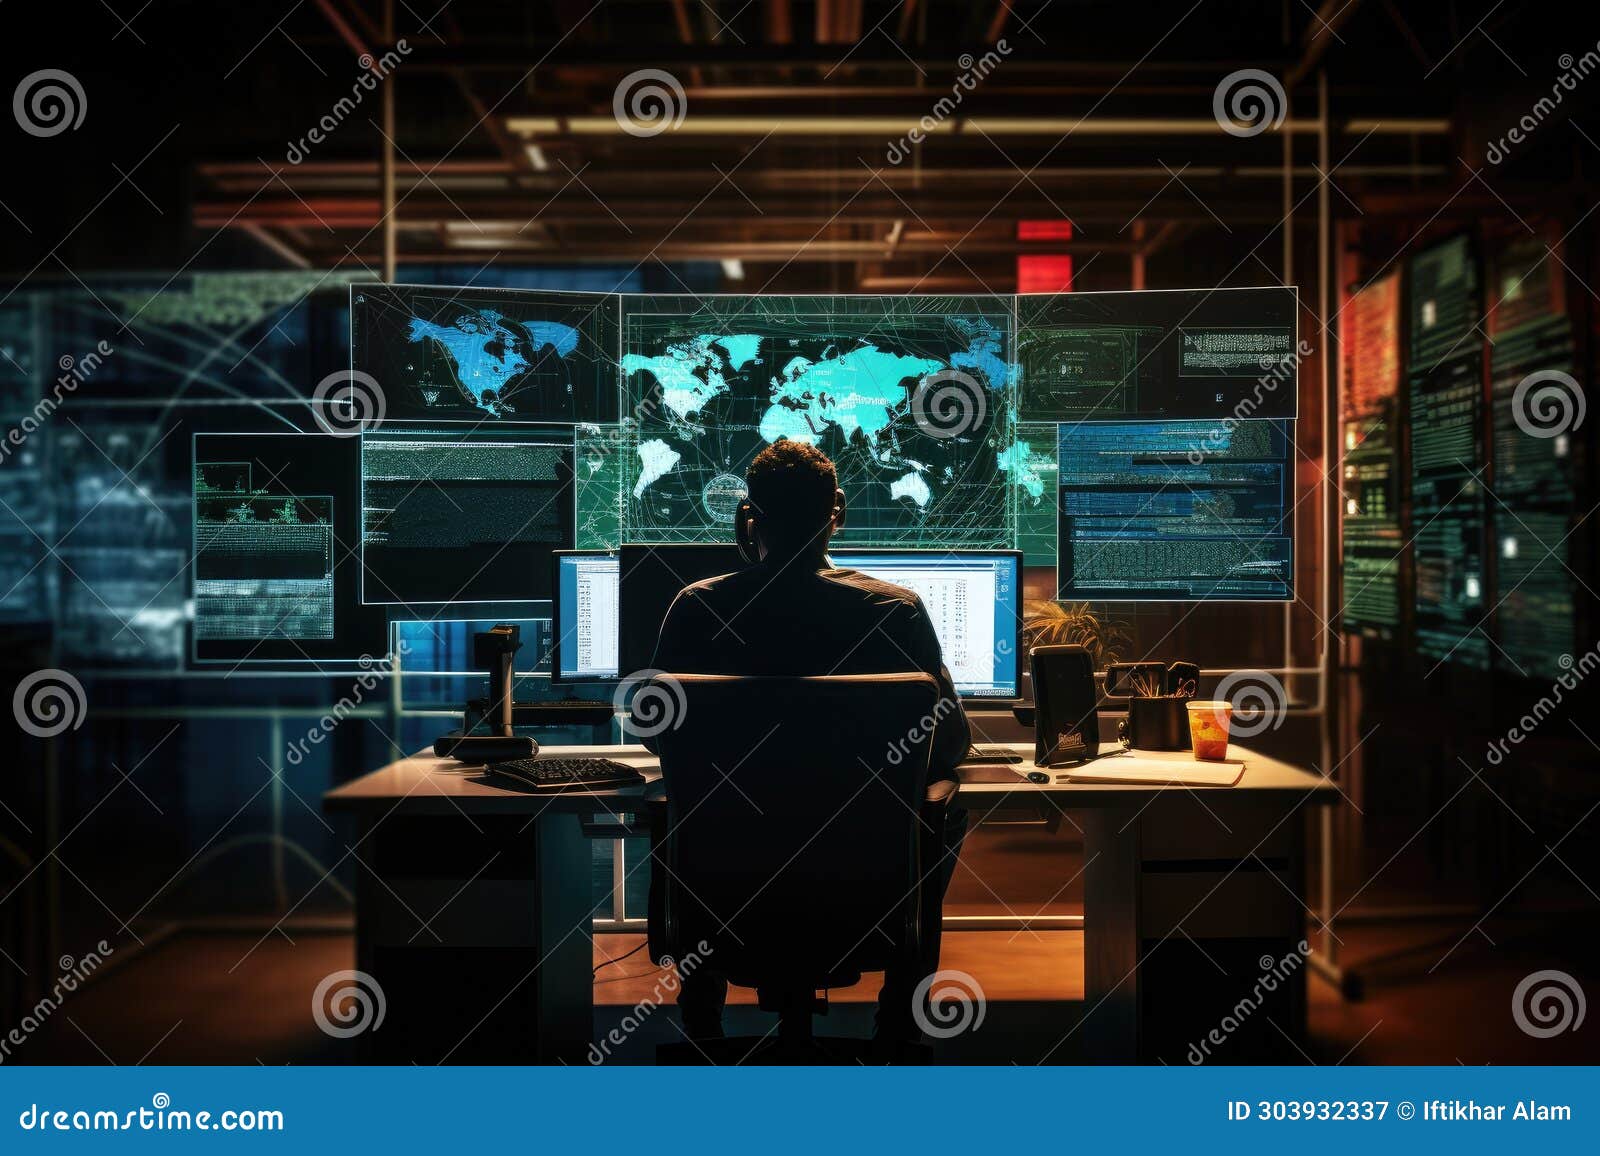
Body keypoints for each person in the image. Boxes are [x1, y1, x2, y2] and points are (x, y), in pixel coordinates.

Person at [647, 438, 971, 1045]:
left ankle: (702, 1022)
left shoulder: (696, 609)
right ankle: (897, 1019)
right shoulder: (894, 611)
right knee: (942, 812)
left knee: (689, 811)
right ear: (838, 510)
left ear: (749, 517)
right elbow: (950, 741)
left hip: (728, 906)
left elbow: (664, 746)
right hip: (859, 903)